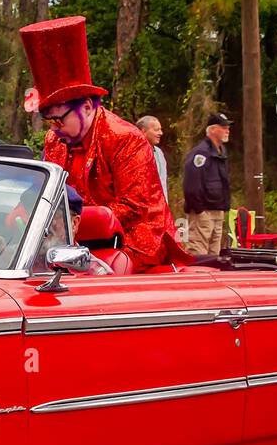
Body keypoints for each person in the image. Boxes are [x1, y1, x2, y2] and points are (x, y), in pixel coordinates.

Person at [21, 15, 187, 271]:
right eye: (49, 121)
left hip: (135, 239)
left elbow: (133, 208)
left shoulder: (126, 138)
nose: (54, 128)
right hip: (75, 238)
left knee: (101, 274)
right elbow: (51, 194)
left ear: (86, 107)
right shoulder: (55, 140)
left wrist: (76, 218)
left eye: (58, 120)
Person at [182, 113, 233, 257]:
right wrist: (199, 210)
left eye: (228, 127)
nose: (227, 130)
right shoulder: (201, 153)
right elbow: (191, 185)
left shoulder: (221, 152)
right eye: (223, 127)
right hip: (203, 212)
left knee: (214, 255)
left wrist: (224, 207)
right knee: (198, 253)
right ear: (212, 130)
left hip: (218, 210)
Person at [135, 116, 168, 201]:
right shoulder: (133, 153)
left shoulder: (159, 153)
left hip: (161, 207)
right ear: (143, 131)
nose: (161, 133)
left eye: (160, 129)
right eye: (156, 130)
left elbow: (163, 181)